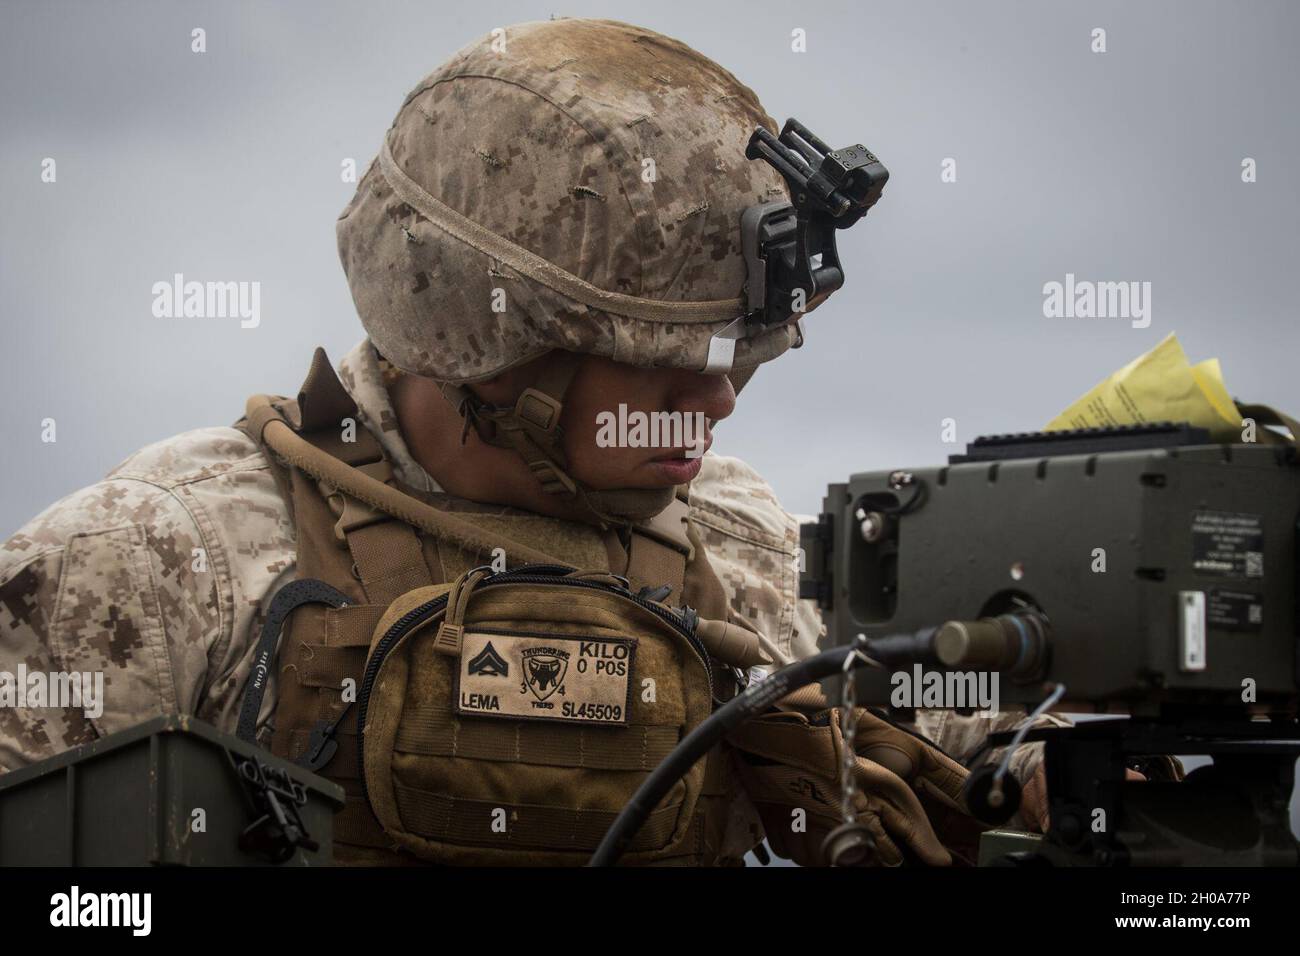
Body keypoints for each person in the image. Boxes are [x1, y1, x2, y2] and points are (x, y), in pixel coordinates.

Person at [0, 17, 1061, 865]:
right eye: (666, 357)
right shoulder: (164, 560)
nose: (720, 398)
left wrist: (1059, 767)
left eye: (733, 352)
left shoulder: (747, 553)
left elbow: (963, 737)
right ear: (485, 339)